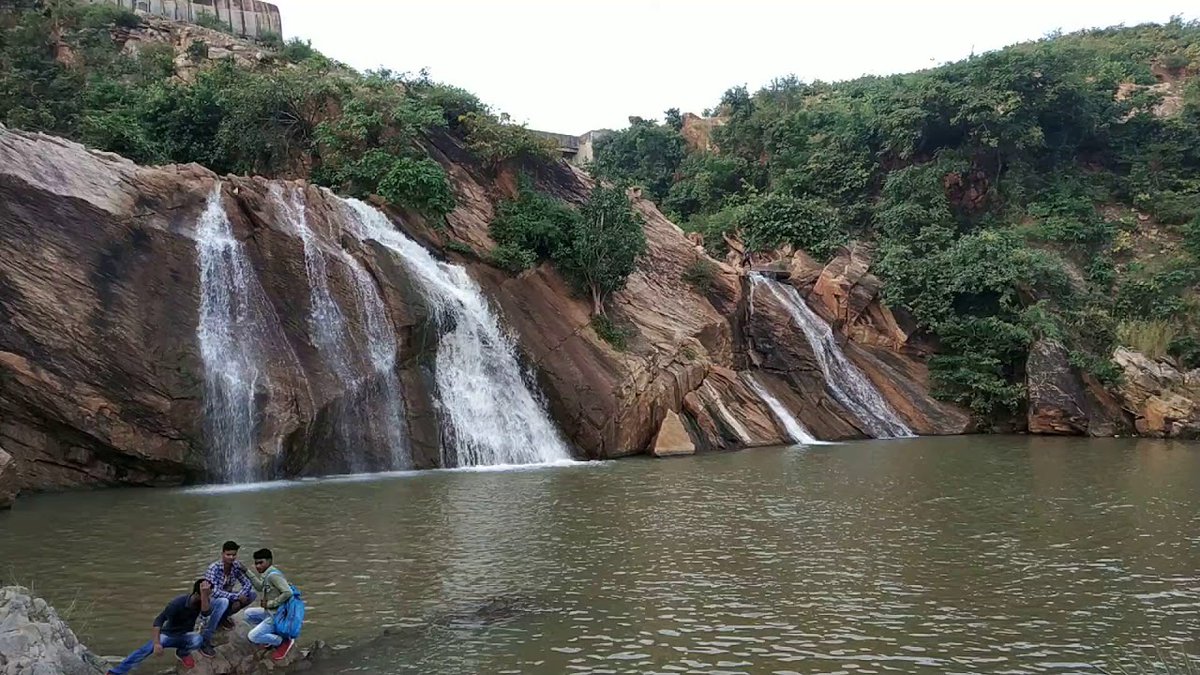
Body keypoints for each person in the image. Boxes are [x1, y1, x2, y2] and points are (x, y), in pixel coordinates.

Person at [106, 579, 213, 673]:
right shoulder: (176, 604)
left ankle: (182, 653)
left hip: (185, 635)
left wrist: (205, 595)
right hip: (168, 635)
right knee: (144, 650)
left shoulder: (203, 602)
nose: (208, 597)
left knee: (198, 639)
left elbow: (205, 613)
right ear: (197, 594)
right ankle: (116, 672)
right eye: (206, 595)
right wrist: (157, 644)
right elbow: (158, 621)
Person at [201, 540, 257, 656]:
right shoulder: (214, 568)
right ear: (222, 554)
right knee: (223, 601)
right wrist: (236, 597)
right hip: (213, 602)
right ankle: (206, 640)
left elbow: (247, 583)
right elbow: (214, 592)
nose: (231, 557)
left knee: (252, 595)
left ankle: (223, 618)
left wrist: (240, 596)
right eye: (228, 555)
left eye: (234, 555)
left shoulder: (236, 566)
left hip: (227, 599)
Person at [243, 547, 296, 661]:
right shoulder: (266, 573)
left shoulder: (273, 575)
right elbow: (259, 587)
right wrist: (247, 572)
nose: (258, 566)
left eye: (261, 562)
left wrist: (270, 604)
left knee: (252, 637)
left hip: (277, 615)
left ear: (269, 561)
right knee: (247, 614)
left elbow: (288, 592)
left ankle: (282, 642)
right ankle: (271, 637)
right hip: (270, 613)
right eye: (256, 563)